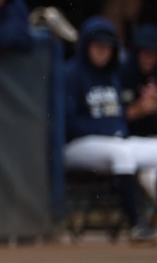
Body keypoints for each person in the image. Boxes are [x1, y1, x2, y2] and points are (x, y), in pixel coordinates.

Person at [62, 17, 157, 242]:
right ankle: (136, 224)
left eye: (107, 47)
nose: (103, 51)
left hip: (112, 143)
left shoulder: (112, 77)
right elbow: (68, 123)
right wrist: (108, 129)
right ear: (86, 46)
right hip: (76, 146)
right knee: (121, 151)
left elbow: (117, 117)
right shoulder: (71, 74)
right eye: (98, 46)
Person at [123, 24, 157, 138]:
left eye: (153, 54)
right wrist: (138, 108)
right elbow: (112, 117)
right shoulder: (121, 74)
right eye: (145, 53)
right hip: (126, 137)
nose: (149, 59)